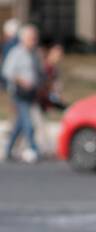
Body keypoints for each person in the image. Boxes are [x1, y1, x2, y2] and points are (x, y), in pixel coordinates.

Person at [1, 23, 43, 164]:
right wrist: (21, 81)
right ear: (24, 38)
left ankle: (8, 149)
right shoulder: (16, 53)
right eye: (31, 38)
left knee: (19, 123)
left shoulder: (35, 54)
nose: (34, 41)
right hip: (19, 93)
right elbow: (7, 72)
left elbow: (39, 73)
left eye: (35, 38)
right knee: (28, 122)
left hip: (31, 93)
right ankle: (33, 148)